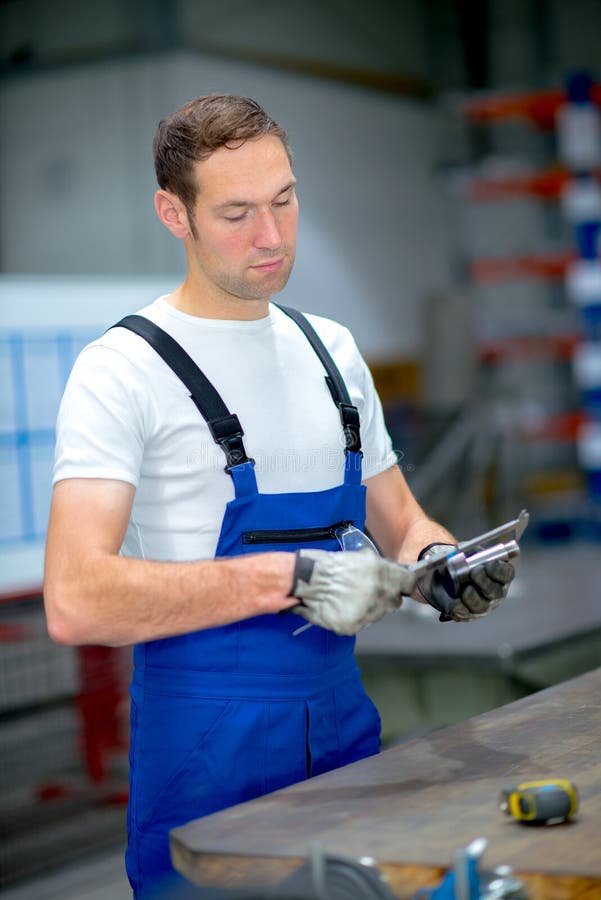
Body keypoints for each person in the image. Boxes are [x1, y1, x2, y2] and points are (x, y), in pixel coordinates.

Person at [44, 94, 514, 898]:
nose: (271, 237)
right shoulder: (121, 370)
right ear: (173, 213)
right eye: (235, 213)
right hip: (204, 749)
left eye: (284, 201)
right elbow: (75, 600)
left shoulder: (328, 351)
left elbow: (397, 515)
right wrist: (286, 579)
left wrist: (439, 560)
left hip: (343, 725)